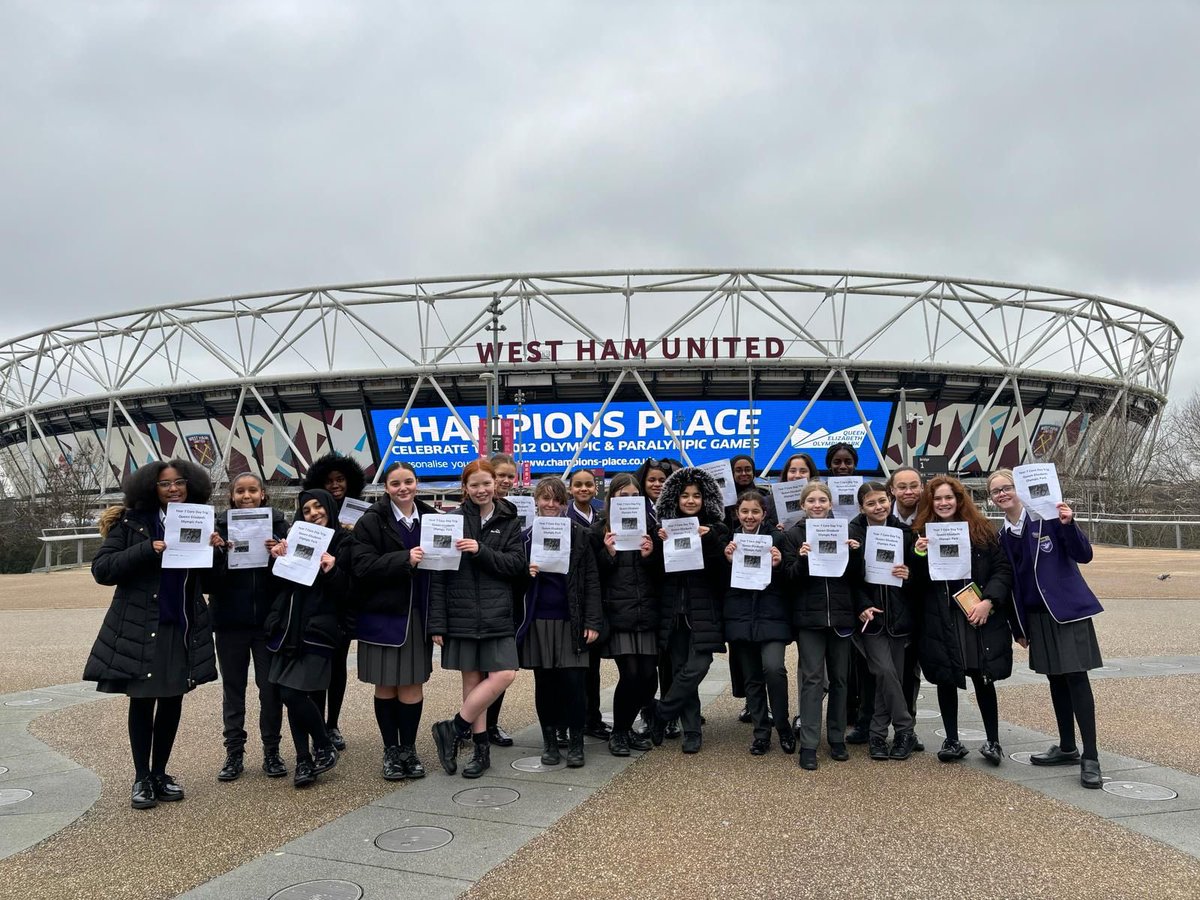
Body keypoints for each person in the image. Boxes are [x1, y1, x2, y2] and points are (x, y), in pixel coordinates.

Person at [84, 460, 219, 809]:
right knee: (142, 700)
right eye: (164, 484)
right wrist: (148, 548)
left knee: (173, 697)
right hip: (143, 625)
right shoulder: (132, 523)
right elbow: (102, 569)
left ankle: (160, 772)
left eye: (180, 482)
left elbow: (212, 583)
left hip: (181, 621)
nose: (174, 489)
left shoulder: (199, 519)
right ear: (151, 488)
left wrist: (217, 550)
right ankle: (141, 777)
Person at [988, 469, 1105, 788]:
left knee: (1077, 677)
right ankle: (1068, 746)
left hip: (1066, 611)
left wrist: (1070, 524)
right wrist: (1017, 626)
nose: (1002, 494)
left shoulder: (1050, 518)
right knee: (1055, 678)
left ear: (1020, 489)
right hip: (1036, 616)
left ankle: (1091, 756)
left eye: (1007, 488)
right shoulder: (1002, 536)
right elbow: (1010, 584)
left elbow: (1084, 554)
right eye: (995, 491)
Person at [428, 460, 526, 778]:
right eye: (475, 485)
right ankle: (481, 752)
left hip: (498, 612)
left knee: (504, 674)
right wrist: (437, 623)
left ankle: (454, 728)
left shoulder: (509, 519)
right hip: (461, 613)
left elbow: (516, 565)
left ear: (494, 485)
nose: (482, 490)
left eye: (487, 484)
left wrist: (481, 550)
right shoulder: (451, 520)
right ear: (465, 488)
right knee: (471, 681)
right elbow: (438, 575)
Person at [912, 476, 1013, 766]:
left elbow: (1002, 569)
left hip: (975, 612)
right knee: (946, 677)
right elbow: (914, 582)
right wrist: (919, 553)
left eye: (949, 498)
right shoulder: (920, 533)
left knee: (983, 676)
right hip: (941, 615)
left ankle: (993, 740)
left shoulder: (981, 531)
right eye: (938, 499)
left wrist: (988, 601)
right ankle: (952, 739)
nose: (944, 503)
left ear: (959, 499)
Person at [349, 462, 436, 781]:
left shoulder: (433, 520)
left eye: (408, 482)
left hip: (417, 614)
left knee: (412, 684)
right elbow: (360, 566)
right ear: (385, 487)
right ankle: (390, 750)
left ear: (417, 483)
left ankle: (409, 750)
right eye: (396, 483)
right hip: (382, 613)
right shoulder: (371, 521)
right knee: (386, 685)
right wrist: (404, 559)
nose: (403, 488)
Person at [207, 473, 289, 782]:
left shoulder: (280, 526)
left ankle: (272, 751)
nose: (246, 496)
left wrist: (278, 555)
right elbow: (208, 583)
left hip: (268, 622)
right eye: (240, 491)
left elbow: (289, 577)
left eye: (252, 490)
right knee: (233, 688)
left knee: (270, 690)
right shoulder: (218, 529)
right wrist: (218, 553)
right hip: (230, 622)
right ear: (231, 496)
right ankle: (234, 753)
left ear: (263, 495)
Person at [264, 489, 350, 787]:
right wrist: (276, 558)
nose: (314, 513)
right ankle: (304, 759)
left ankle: (323, 744)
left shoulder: (344, 542)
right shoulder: (294, 539)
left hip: (320, 629)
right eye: (307, 510)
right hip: (289, 628)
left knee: (294, 693)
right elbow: (277, 585)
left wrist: (332, 569)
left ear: (329, 507)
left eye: (318, 507)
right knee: (292, 693)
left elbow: (349, 592)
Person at [518, 477, 603, 767]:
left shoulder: (580, 535)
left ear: (564, 504)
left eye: (556, 500)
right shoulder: (525, 537)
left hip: (571, 619)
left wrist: (592, 621)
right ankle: (551, 741)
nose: (551, 505)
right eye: (545, 499)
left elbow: (591, 580)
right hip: (539, 619)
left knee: (574, 683)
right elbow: (512, 581)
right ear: (536, 502)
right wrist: (523, 572)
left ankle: (577, 741)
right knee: (545, 683)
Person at [647, 467, 730, 753]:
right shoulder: (663, 528)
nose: (691, 500)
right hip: (673, 611)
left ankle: (661, 712)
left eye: (697, 495)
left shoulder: (718, 529)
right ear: (676, 498)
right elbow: (656, 575)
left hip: (703, 610)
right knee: (683, 669)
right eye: (685, 495)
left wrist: (709, 541)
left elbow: (723, 574)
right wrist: (657, 546)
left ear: (706, 499)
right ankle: (691, 731)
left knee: (699, 665)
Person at [782, 482, 862, 770]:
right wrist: (802, 560)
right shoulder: (793, 535)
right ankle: (810, 743)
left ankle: (837, 738)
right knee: (812, 680)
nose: (817, 505)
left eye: (822, 500)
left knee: (840, 679)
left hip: (841, 616)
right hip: (809, 618)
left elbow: (856, 577)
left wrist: (854, 554)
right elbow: (788, 578)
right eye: (811, 500)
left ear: (830, 503)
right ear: (803, 505)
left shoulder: (846, 531)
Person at [848, 481, 918, 761]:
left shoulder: (905, 533)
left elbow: (920, 576)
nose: (879, 507)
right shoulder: (854, 533)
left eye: (882, 501)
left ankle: (878, 736)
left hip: (900, 617)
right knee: (885, 673)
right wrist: (862, 605)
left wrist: (910, 572)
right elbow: (849, 579)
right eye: (871, 503)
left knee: (890, 680)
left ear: (890, 499)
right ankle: (905, 729)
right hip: (871, 619)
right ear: (861, 507)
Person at [301, 453, 367, 752]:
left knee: (337, 668)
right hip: (313, 611)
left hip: (342, 608)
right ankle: (318, 728)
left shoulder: (360, 518)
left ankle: (332, 724)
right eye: (329, 482)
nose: (335, 485)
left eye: (340, 480)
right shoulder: (305, 522)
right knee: (317, 669)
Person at [723, 490, 795, 755]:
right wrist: (727, 561)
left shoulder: (778, 538)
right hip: (741, 616)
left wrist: (779, 564)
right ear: (737, 513)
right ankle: (761, 732)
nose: (749, 516)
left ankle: (783, 725)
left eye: (755, 511)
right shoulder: (729, 539)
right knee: (752, 678)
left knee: (774, 668)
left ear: (764, 514)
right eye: (745, 511)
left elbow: (792, 578)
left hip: (772, 615)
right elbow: (718, 582)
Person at [594, 473, 660, 756]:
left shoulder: (652, 528)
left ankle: (630, 725)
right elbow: (592, 576)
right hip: (619, 613)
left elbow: (663, 573)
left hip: (646, 611)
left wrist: (652, 556)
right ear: (612, 499)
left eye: (634, 496)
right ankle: (619, 731)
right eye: (623, 496)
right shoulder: (600, 529)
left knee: (647, 676)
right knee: (630, 674)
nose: (630, 501)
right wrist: (607, 553)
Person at [634, 457, 681, 738]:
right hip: (642, 592)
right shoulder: (633, 510)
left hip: (671, 592)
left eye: (662, 481)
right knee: (646, 663)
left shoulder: (678, 511)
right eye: (652, 480)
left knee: (671, 660)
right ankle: (646, 711)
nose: (657, 484)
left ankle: (671, 712)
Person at [565, 467, 611, 740]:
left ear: (596, 488)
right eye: (578, 485)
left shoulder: (604, 518)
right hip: (573, 596)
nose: (583, 489)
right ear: (570, 489)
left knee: (593, 668)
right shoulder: (562, 517)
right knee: (574, 669)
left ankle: (593, 717)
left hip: (597, 592)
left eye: (588, 485)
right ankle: (575, 719)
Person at [483, 453, 521, 748]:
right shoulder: (467, 512)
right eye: (501, 476)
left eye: (510, 476)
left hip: (506, 597)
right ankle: (475, 724)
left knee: (500, 667)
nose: (506, 481)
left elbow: (515, 559)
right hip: (475, 600)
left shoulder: (511, 513)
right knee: (476, 671)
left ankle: (491, 723)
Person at [888, 465, 925, 750]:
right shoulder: (878, 518)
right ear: (892, 490)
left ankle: (907, 728)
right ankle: (870, 724)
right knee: (877, 670)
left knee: (910, 670)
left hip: (916, 605)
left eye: (914, 485)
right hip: (884, 605)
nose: (908, 491)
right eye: (902, 487)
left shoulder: (931, 519)